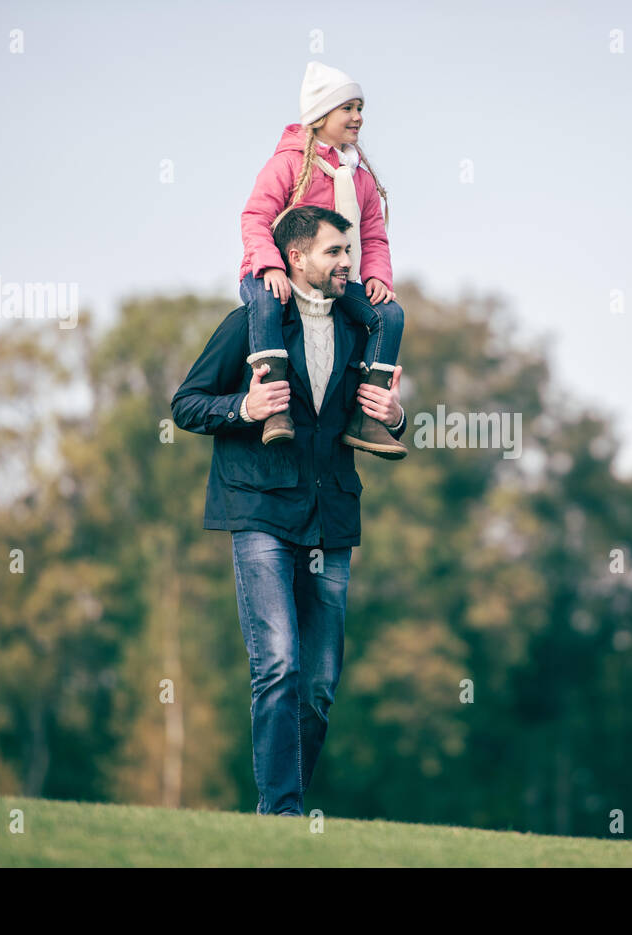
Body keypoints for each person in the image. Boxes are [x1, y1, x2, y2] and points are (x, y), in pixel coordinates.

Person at [171, 205, 408, 816]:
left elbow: (378, 415)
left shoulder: (361, 329)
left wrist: (394, 416)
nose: (348, 264)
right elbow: (187, 404)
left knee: (321, 684)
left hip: (332, 518)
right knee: (277, 663)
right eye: (334, 253)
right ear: (295, 257)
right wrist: (245, 409)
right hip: (258, 512)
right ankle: (280, 813)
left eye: (350, 252)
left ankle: (284, 805)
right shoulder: (252, 324)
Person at [239, 60, 406, 459]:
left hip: (332, 279)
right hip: (273, 272)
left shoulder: (360, 178)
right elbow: (254, 217)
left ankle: (369, 418)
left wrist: (377, 276)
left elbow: (373, 235)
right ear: (319, 115)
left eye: (360, 108)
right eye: (347, 108)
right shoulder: (289, 164)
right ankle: (275, 411)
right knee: (264, 304)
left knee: (390, 315)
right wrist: (271, 265)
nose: (358, 117)